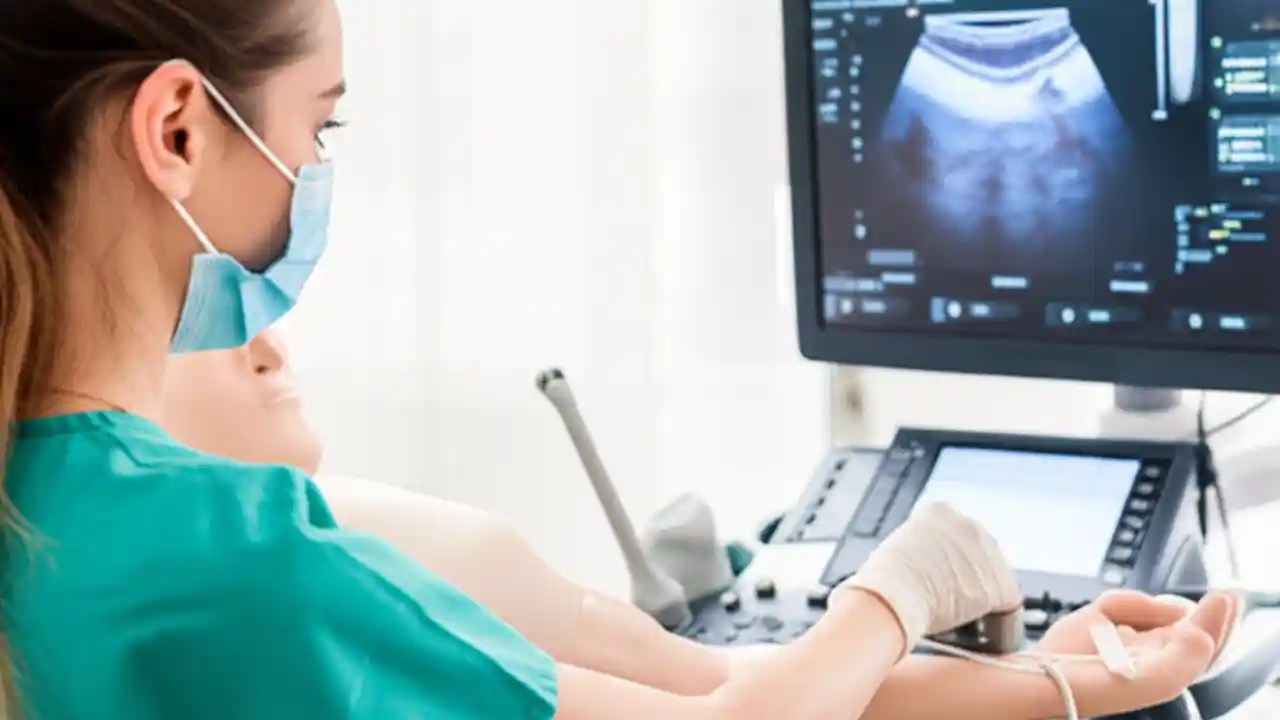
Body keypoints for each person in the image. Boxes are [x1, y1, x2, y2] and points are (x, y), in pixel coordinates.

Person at [0, 2, 1231, 719]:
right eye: (322, 126)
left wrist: (1047, 683)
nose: (318, 172)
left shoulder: (57, 499)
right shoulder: (239, 554)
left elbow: (686, 679)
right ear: (177, 129)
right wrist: (900, 585)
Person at [162, 329, 1240, 719]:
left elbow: (714, 681)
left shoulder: (341, 533)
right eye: (215, 307)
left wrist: (1057, 683)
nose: (273, 340)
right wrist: (897, 593)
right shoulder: (276, 589)